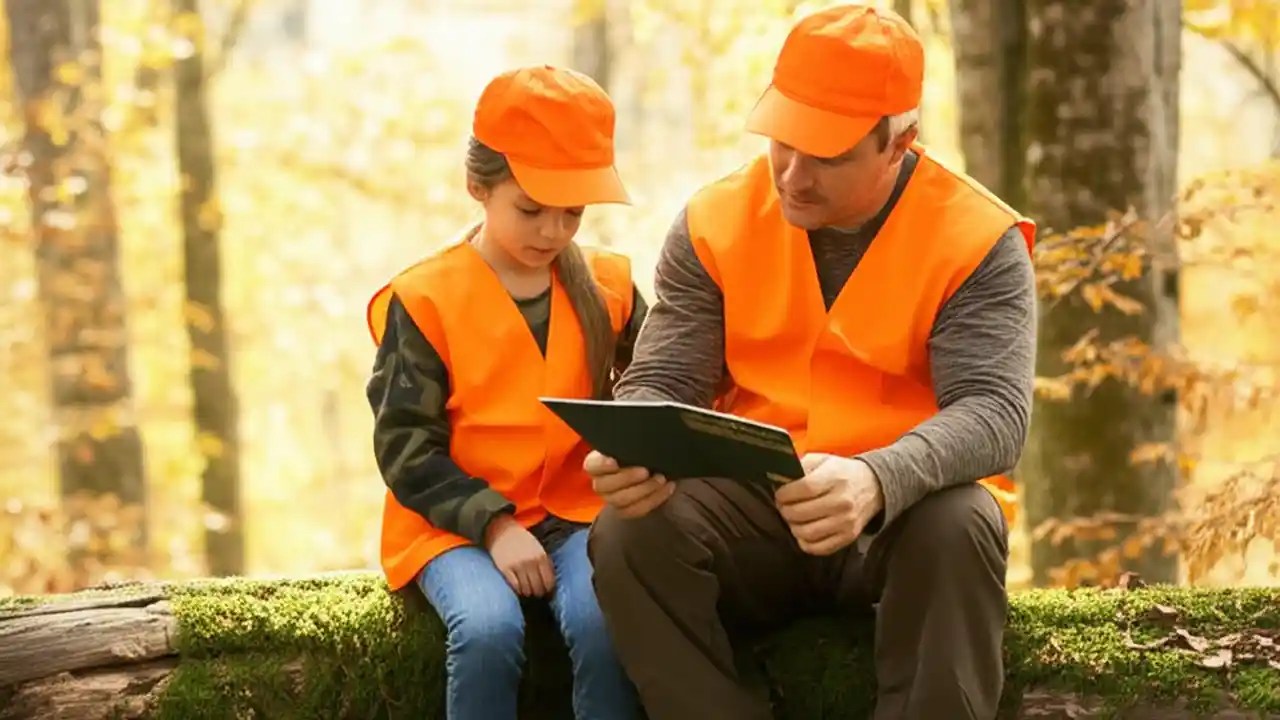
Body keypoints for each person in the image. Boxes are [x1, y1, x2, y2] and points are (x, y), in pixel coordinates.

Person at [583, 5, 1037, 720]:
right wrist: (630, 445)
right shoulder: (713, 221)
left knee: (963, 520)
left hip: (905, 518)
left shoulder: (977, 240)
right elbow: (666, 377)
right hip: (753, 512)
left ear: (899, 144)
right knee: (628, 531)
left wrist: (878, 477)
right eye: (781, 143)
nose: (793, 175)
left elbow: (995, 414)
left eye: (826, 154)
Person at [364, 64, 645, 720]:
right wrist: (493, 526)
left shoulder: (610, 287)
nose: (552, 232)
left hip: (578, 510)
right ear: (476, 187)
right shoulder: (426, 298)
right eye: (531, 209)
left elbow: (657, 389)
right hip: (451, 525)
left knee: (609, 625)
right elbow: (404, 446)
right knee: (489, 631)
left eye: (572, 213)